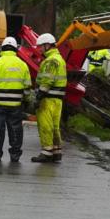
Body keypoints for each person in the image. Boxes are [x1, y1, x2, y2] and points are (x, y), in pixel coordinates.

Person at [0, 37, 31, 162]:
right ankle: (15, 155)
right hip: (15, 104)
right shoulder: (22, 65)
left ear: (3, 48)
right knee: (15, 129)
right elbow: (27, 85)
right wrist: (26, 99)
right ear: (15, 49)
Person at [32, 33, 67, 163]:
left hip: (48, 98)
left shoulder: (50, 61)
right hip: (57, 99)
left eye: (41, 46)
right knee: (54, 126)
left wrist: (38, 97)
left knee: (45, 125)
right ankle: (56, 151)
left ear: (47, 45)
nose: (39, 49)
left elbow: (47, 81)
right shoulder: (60, 59)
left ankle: (46, 152)